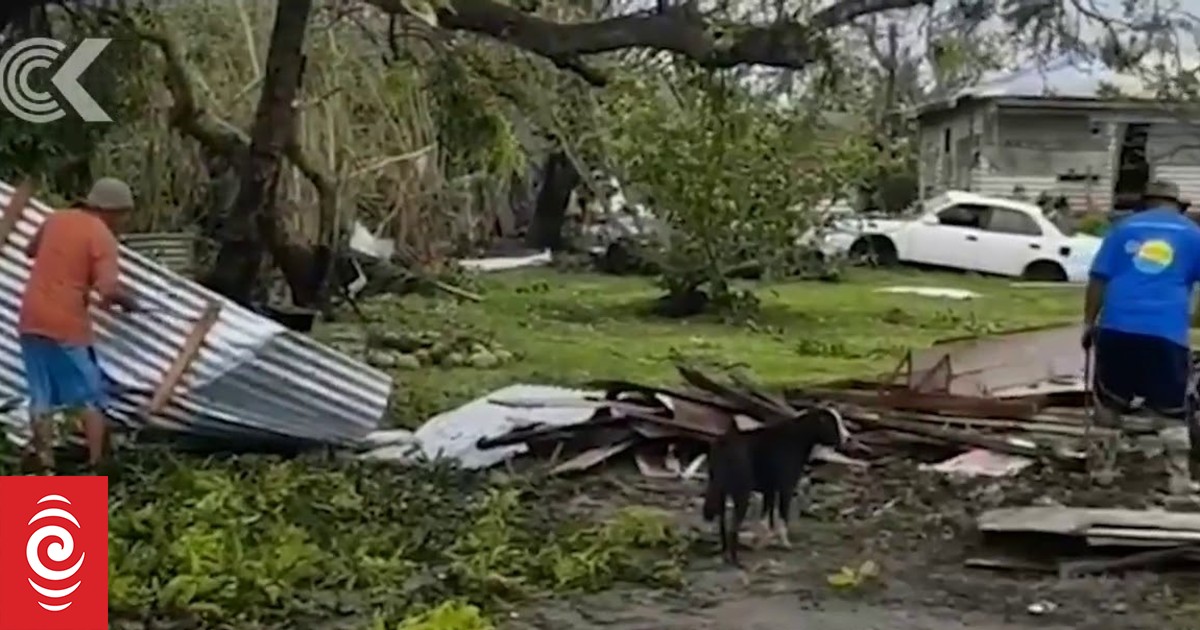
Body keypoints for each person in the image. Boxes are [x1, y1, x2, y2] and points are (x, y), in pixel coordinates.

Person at [1083, 180, 1200, 498]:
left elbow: (1098, 279)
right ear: (1177, 205)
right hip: (1166, 332)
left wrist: (1088, 322)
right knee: (1171, 409)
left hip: (1117, 327)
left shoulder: (1122, 229)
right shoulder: (1192, 234)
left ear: (1145, 202)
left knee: (1108, 403)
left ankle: (1101, 474)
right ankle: (1178, 479)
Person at [19, 177, 137, 471]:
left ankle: (44, 462)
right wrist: (129, 302)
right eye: (123, 214)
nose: (122, 221)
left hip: (31, 317)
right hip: (65, 322)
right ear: (112, 210)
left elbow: (30, 251)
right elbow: (108, 289)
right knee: (90, 393)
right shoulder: (102, 236)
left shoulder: (56, 219)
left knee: (40, 393)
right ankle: (98, 463)